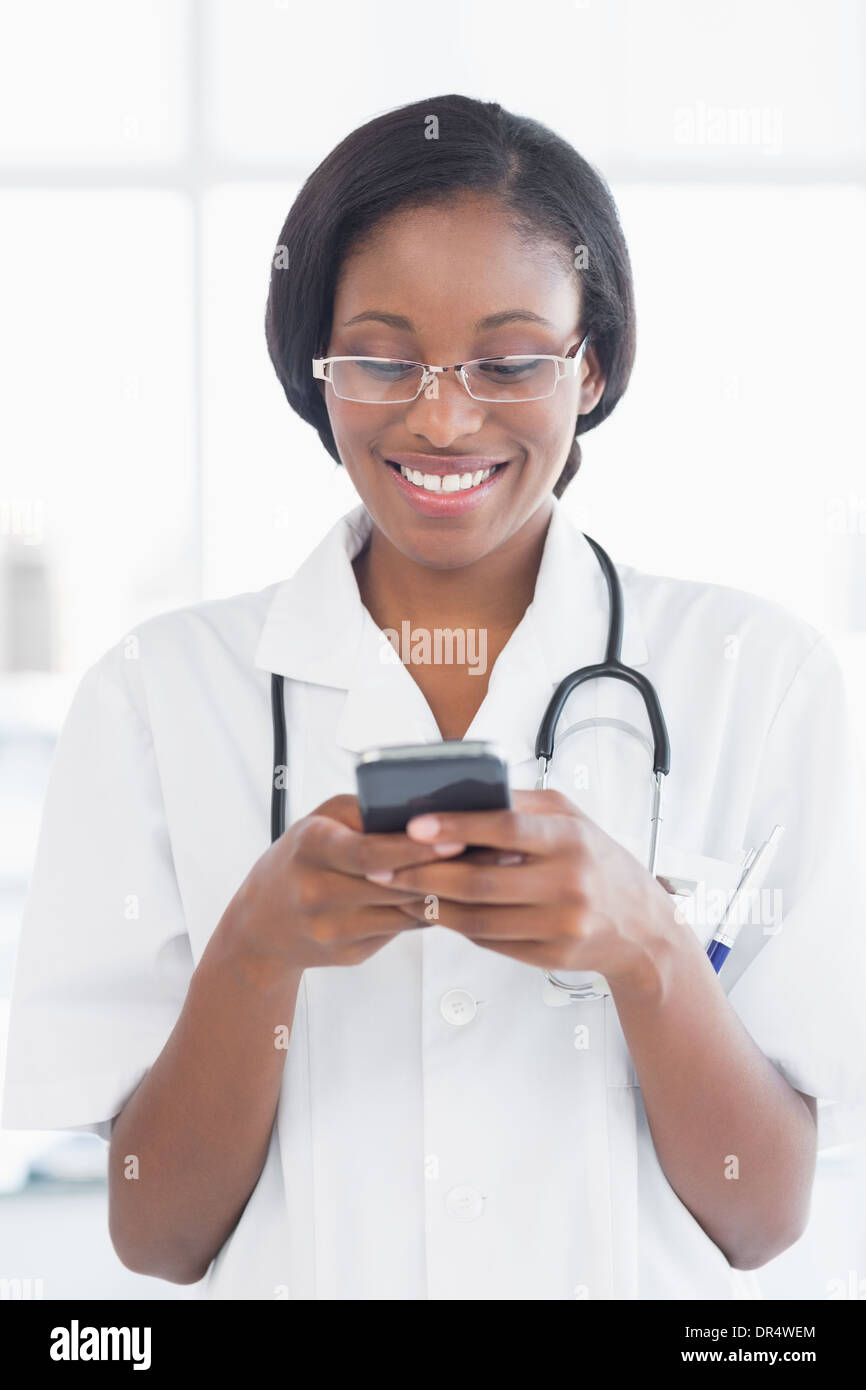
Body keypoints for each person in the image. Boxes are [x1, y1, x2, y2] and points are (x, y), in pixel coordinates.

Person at [4, 93, 866, 1301]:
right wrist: (253, 955)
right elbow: (157, 1235)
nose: (442, 414)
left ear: (593, 364)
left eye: (508, 360)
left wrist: (645, 946)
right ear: (316, 368)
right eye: (381, 357)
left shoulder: (759, 679)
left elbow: (761, 1213)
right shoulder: (158, 696)